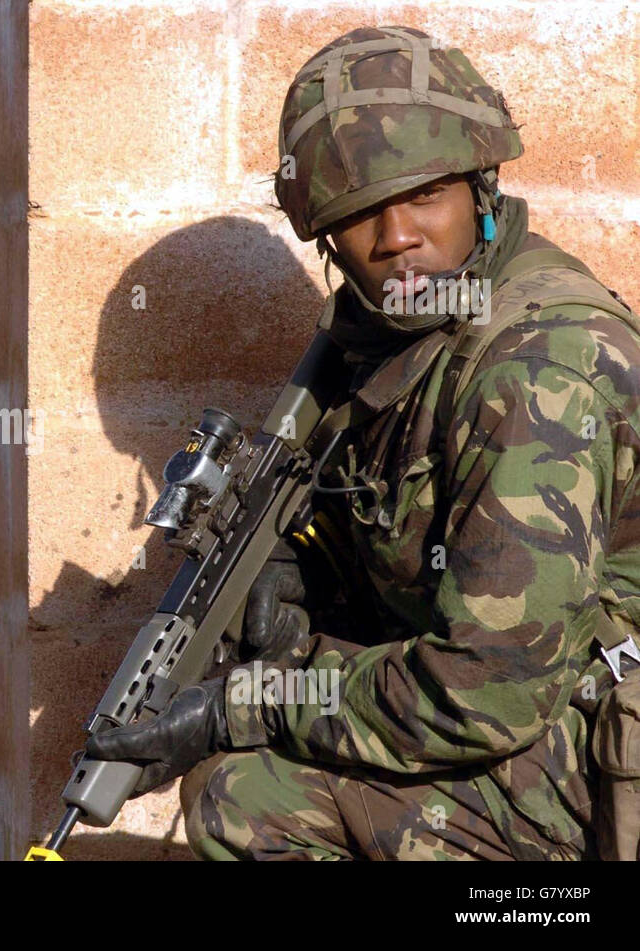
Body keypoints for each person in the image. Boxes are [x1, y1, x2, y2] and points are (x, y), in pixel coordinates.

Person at [85, 25, 640, 860]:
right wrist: (303, 563)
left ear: (482, 188)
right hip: (538, 716)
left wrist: (249, 702)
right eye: (358, 215)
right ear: (327, 239)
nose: (397, 238)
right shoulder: (393, 327)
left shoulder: (538, 368)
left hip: (583, 743)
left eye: (426, 196)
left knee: (249, 796)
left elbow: (486, 690)